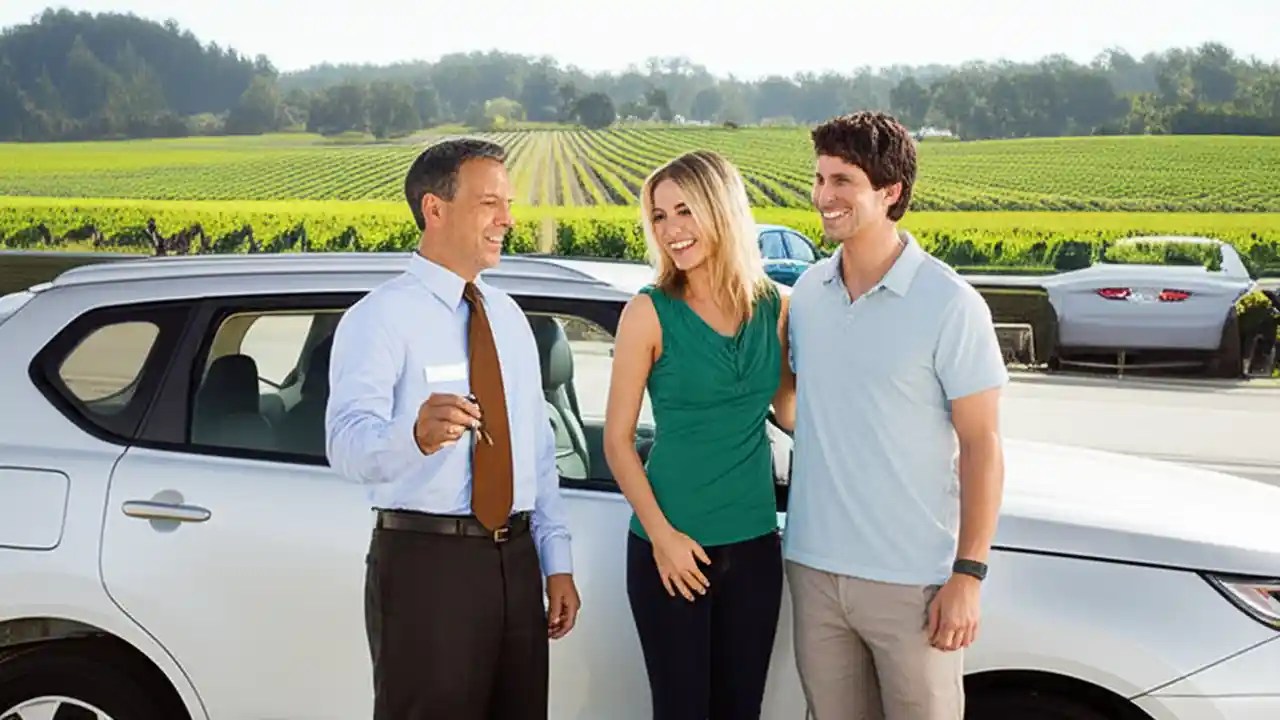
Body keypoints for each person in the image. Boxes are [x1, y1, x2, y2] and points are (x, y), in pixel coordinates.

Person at [324, 137, 581, 720]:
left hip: (516, 562)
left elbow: (537, 454)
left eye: (508, 204)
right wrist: (412, 436)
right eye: (490, 203)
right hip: (428, 566)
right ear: (434, 209)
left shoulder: (508, 318)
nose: (507, 220)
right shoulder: (379, 317)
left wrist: (555, 561)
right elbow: (344, 443)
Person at [783, 111, 1008, 720]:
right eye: (820, 179)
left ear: (890, 191)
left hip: (913, 582)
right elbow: (800, 410)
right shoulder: (807, 294)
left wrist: (968, 575)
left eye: (843, 181)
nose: (824, 196)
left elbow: (982, 444)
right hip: (814, 569)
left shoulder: (950, 303)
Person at [603, 149, 796, 719]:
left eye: (684, 210)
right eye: (659, 217)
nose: (671, 230)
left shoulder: (777, 309)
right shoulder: (648, 312)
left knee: (741, 711)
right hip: (671, 546)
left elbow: (791, 413)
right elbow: (617, 441)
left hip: (755, 546)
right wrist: (662, 537)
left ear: (722, 208)